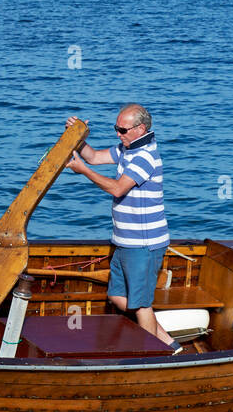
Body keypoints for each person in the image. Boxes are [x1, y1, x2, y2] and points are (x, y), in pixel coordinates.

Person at [65, 105, 179, 352]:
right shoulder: (127, 149)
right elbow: (94, 156)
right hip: (124, 242)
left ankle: (150, 356)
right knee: (116, 296)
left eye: (123, 130)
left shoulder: (144, 156)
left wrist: (83, 171)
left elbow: (117, 188)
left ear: (140, 129)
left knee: (141, 305)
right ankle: (170, 344)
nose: (118, 134)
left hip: (143, 244)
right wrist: (78, 137)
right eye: (116, 128)